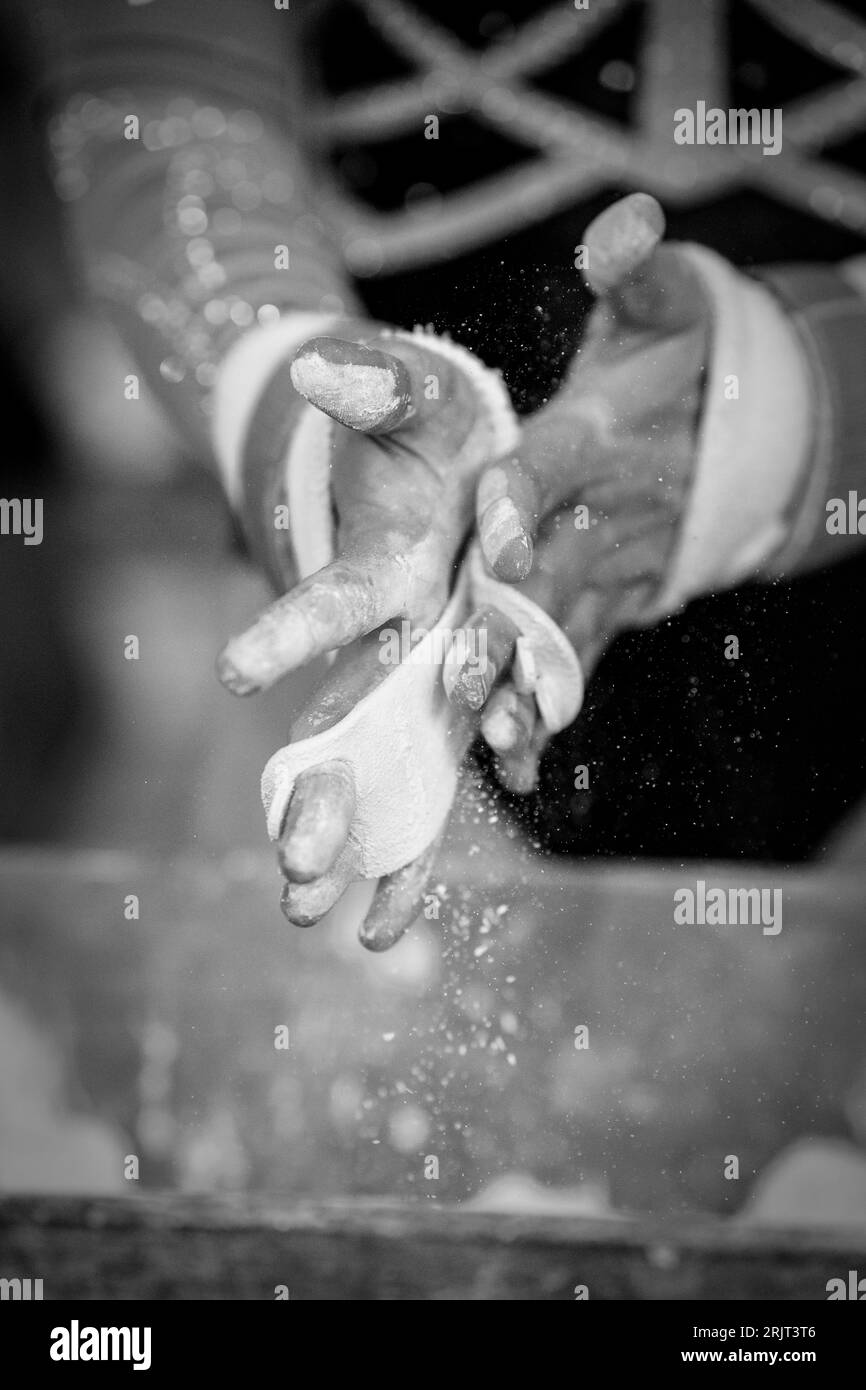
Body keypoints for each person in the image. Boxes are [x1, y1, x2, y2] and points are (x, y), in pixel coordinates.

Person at [28, 0, 866, 947]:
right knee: (297, 1001)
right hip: (361, 523)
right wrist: (298, 427)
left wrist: (816, 395)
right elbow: (152, 62)